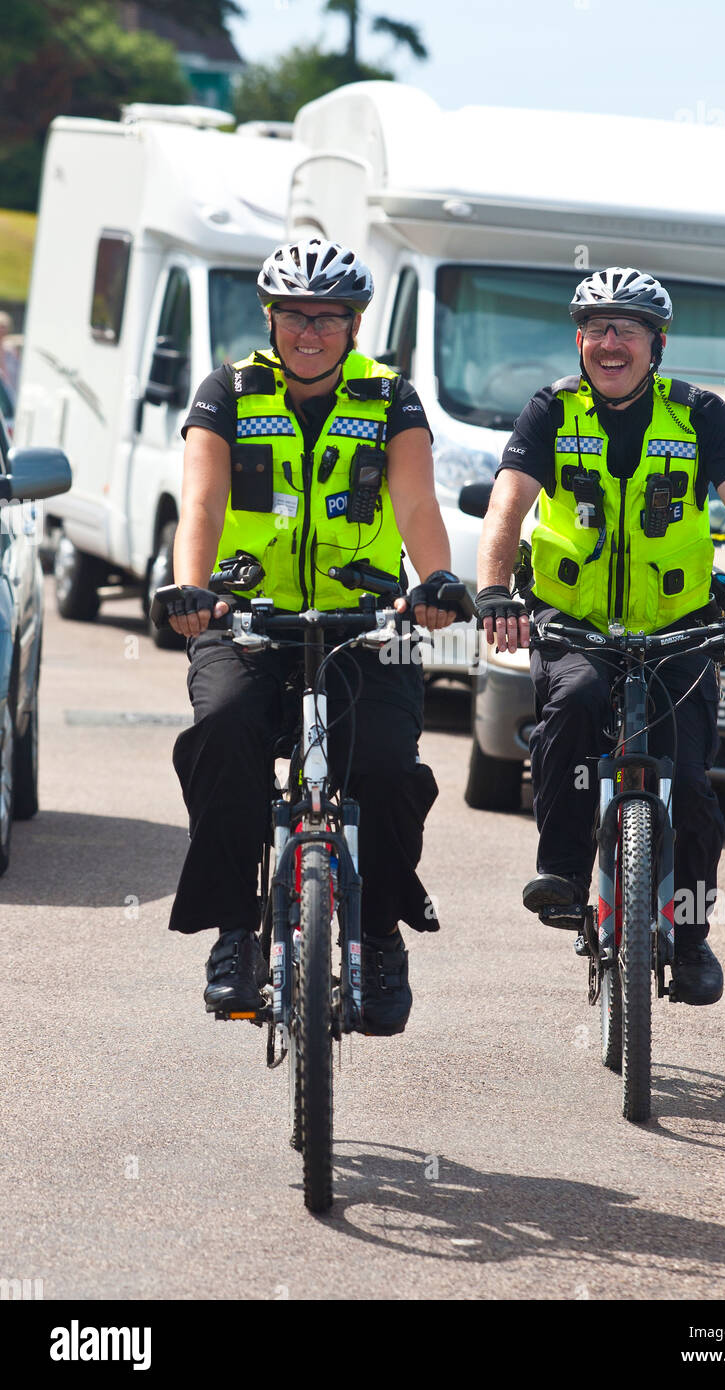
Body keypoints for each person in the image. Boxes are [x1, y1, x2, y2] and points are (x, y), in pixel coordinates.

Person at [475, 267, 725, 1005]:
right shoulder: (551, 412)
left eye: (627, 328)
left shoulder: (699, 416)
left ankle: (688, 939)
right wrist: (496, 588)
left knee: (686, 782)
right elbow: (506, 507)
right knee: (576, 702)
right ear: (579, 339)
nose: (609, 341)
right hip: (573, 621)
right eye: (595, 327)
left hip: (677, 628)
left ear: (657, 342)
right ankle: (560, 869)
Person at [164, 237, 464, 1035]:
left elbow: (416, 506)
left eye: (328, 316)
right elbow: (199, 504)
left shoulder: (392, 398)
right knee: (223, 733)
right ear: (270, 317)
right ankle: (235, 933)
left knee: (389, 772)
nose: (310, 330)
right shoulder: (226, 391)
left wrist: (434, 583)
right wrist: (195, 591)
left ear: (356, 326)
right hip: (246, 621)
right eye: (294, 314)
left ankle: (381, 933)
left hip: (366, 627)